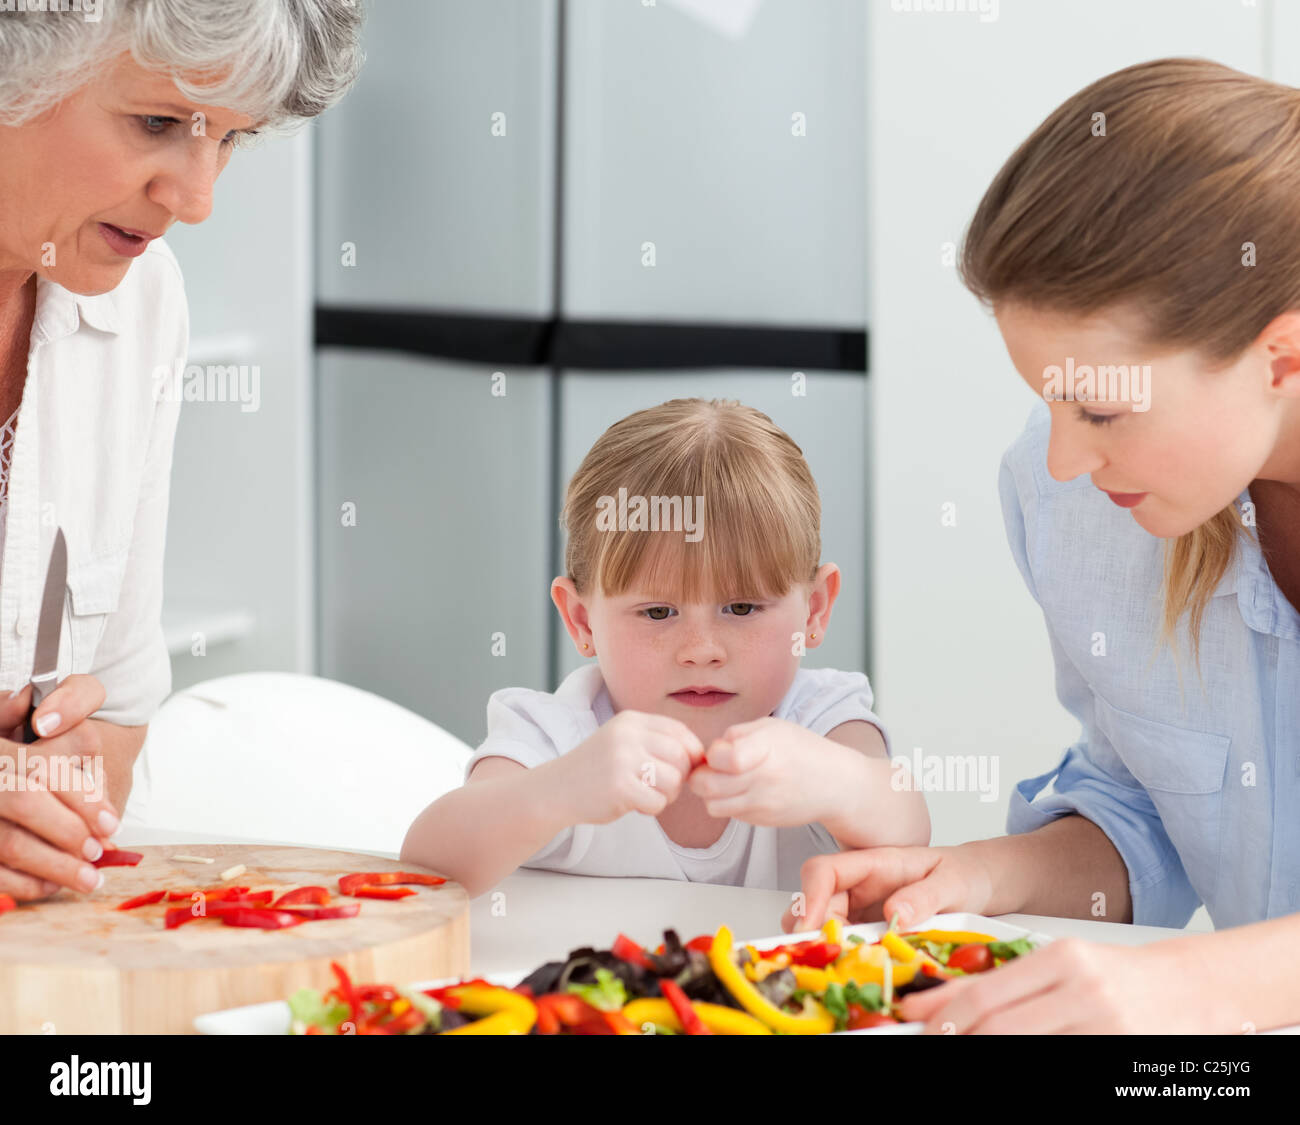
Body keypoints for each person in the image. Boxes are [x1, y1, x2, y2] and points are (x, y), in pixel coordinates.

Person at [789, 57, 1300, 1034]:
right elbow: (1149, 808)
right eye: (1047, 400)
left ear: (1279, 356)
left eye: (1100, 409)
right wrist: (980, 874)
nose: (1062, 459)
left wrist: (1193, 988)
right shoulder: (1075, 499)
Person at [0, 0, 364, 903]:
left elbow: (116, 727)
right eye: (158, 122)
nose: (197, 201)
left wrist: (60, 783)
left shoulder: (140, 303)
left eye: (231, 139)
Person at [402, 398, 929, 896]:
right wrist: (556, 792)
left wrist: (835, 781)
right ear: (581, 618)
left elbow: (908, 825)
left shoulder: (820, 718)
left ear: (814, 611)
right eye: (658, 612)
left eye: (741, 609)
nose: (701, 651)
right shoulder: (557, 736)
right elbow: (428, 863)